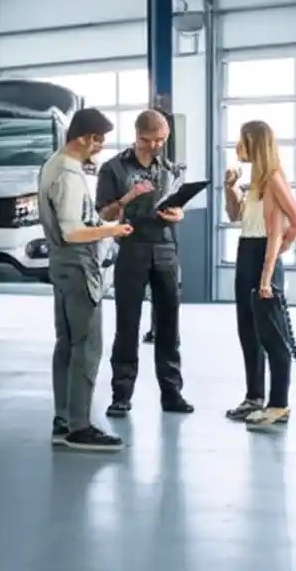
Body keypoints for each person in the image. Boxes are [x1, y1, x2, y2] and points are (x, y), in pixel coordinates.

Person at [40, 107, 134, 452]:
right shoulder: (66, 173)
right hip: (78, 266)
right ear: (83, 138)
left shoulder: (53, 165)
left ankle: (64, 419)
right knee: (87, 346)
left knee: (66, 343)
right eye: (98, 140)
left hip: (62, 267)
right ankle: (79, 427)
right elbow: (72, 231)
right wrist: (112, 229)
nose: (101, 146)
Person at [95, 109, 194, 417]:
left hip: (166, 250)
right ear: (136, 136)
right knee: (127, 325)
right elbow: (103, 215)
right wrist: (126, 198)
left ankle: (172, 393)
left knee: (169, 326)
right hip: (132, 250)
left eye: (160, 140)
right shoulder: (113, 169)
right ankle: (121, 395)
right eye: (147, 140)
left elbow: (179, 208)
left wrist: (179, 215)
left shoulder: (172, 170)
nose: (154, 147)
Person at [222, 120, 296, 431]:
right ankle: (254, 397)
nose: (237, 149)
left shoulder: (273, 179)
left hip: (262, 258)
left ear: (254, 144)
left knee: (272, 337)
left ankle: (278, 404)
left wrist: (268, 273)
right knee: (248, 332)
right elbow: (234, 216)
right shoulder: (254, 181)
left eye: (241, 143)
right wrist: (230, 188)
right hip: (246, 253)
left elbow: (293, 223)